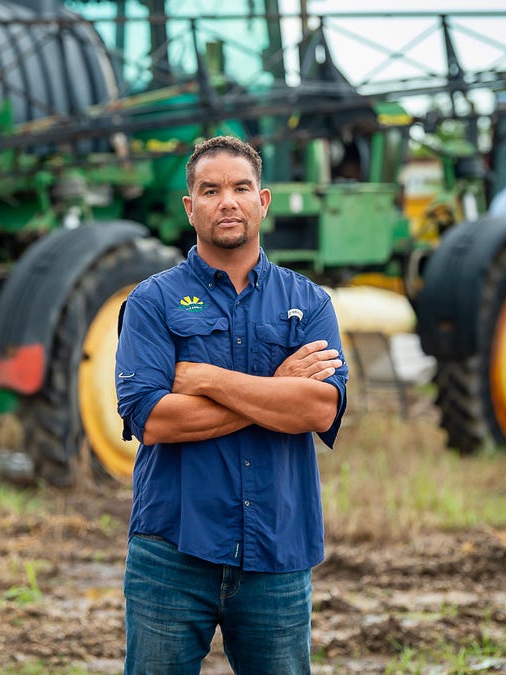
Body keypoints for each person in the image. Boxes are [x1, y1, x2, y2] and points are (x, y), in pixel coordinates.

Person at [115, 135, 349, 673]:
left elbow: (317, 410)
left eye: (241, 187)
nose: (228, 201)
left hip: (277, 553)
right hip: (172, 551)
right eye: (211, 189)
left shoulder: (308, 303)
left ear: (262, 201)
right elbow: (152, 418)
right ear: (189, 206)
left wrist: (207, 379)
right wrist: (275, 386)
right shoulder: (153, 301)